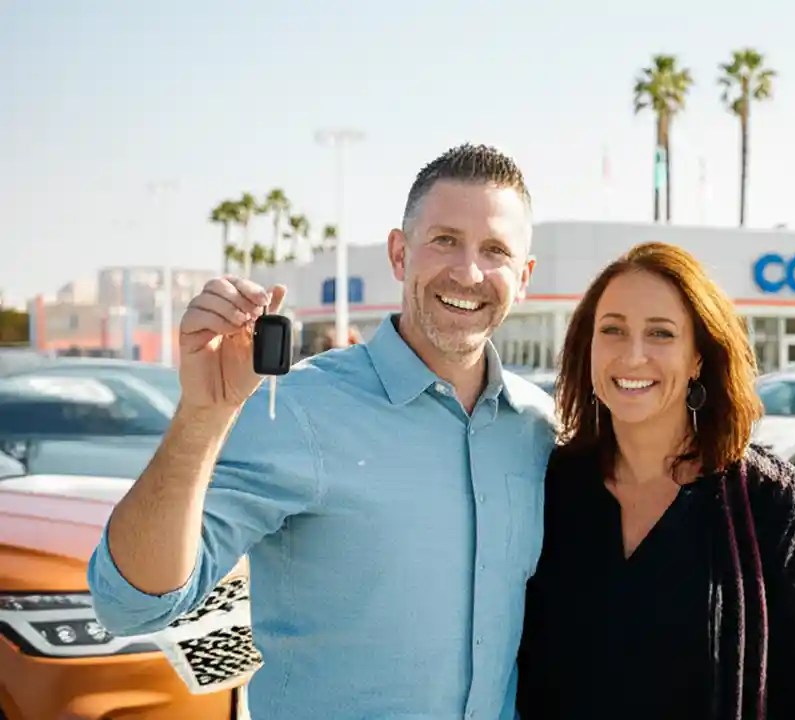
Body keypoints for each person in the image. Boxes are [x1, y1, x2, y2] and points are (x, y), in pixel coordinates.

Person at [87, 144, 557, 720]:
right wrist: (202, 416)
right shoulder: (297, 409)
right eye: (444, 240)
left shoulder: (538, 430)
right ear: (399, 253)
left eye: (495, 250)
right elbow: (129, 604)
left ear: (525, 277)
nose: (468, 271)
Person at [516, 242, 795, 720]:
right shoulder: (545, 490)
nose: (633, 356)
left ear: (698, 357)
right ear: (587, 347)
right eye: (612, 329)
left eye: (661, 333)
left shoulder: (773, 506)